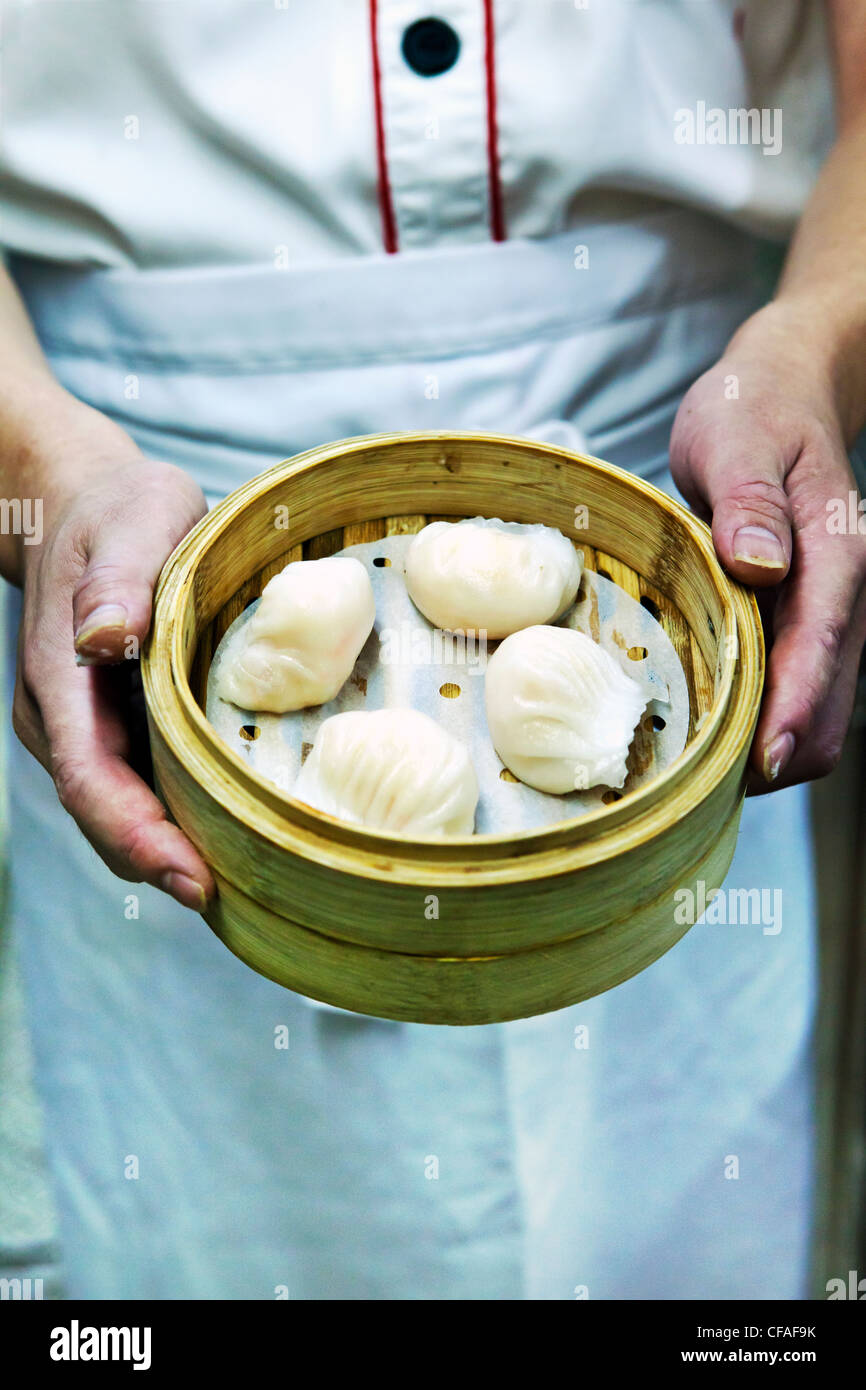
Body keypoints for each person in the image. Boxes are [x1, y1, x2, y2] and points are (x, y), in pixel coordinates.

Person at [1, 1, 864, 1299]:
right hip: (140, 556)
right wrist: (32, 460)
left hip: (670, 595)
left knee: (687, 1259)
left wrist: (822, 345)